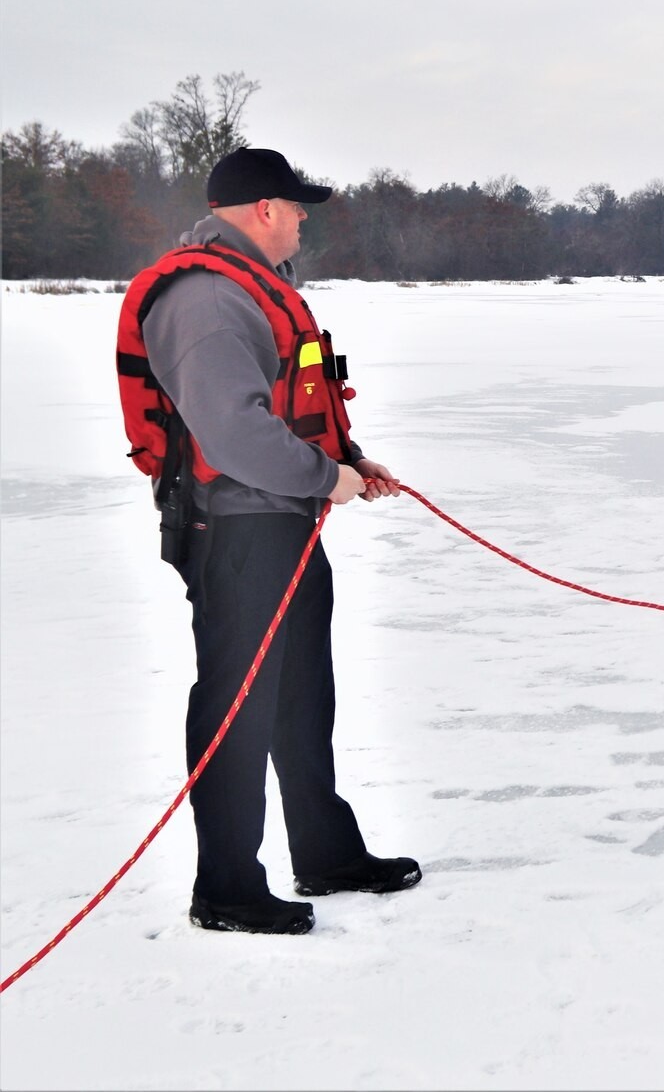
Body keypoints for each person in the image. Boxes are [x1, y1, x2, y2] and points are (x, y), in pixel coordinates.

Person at [116, 146, 418, 936]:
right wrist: (325, 479)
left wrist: (347, 460)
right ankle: (226, 887)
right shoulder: (208, 298)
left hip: (280, 521)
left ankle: (325, 852)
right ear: (264, 210)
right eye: (297, 207)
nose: (303, 220)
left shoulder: (255, 287)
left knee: (299, 694)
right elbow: (236, 432)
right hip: (236, 530)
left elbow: (285, 407)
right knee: (237, 706)